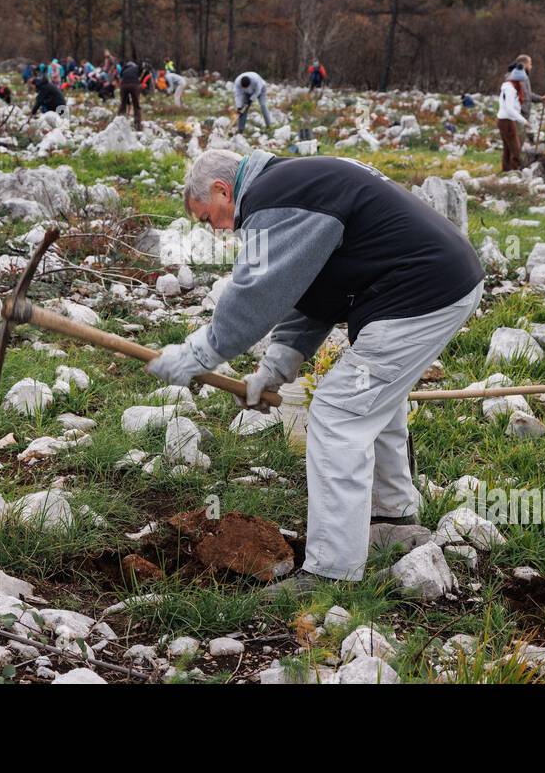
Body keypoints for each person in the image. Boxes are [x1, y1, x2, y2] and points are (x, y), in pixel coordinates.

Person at [148, 149, 484, 594]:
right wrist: (274, 368)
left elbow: (256, 293)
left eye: (211, 218)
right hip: (433, 286)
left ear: (222, 190)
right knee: (372, 396)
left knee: (340, 412)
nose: (220, 230)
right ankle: (392, 519)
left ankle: (330, 573)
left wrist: (196, 355)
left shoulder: (274, 199)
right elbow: (309, 288)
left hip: (421, 297)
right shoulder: (292, 185)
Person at [506, 55, 545, 139]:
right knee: (517, 139)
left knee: (519, 139)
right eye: (530, 64)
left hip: (523, 113)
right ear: (524, 64)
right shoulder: (514, 76)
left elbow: (527, 94)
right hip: (517, 113)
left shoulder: (523, 76)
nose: (531, 67)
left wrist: (540, 98)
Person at [497, 67, 527, 171]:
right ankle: (515, 172)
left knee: (507, 149)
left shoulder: (507, 88)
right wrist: (524, 121)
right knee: (516, 150)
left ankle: (506, 170)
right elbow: (510, 109)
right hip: (507, 121)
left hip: (504, 120)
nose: (522, 84)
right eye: (521, 81)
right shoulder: (510, 89)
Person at [118, 59, 143, 129]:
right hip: (134, 84)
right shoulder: (136, 67)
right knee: (136, 105)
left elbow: (120, 76)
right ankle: (138, 125)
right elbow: (140, 74)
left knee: (123, 104)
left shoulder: (124, 69)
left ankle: (119, 122)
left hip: (124, 85)